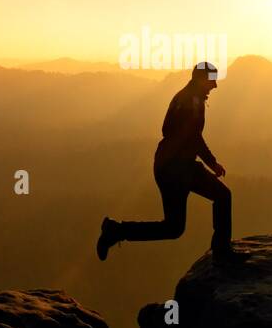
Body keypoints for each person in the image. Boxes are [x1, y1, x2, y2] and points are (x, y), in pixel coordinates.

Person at [97, 61, 241, 262]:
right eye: (212, 81)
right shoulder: (192, 100)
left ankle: (116, 230)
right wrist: (212, 163)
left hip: (166, 167)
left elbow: (167, 129)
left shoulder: (184, 97)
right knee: (223, 196)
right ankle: (222, 252)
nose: (215, 86)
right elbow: (194, 137)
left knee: (173, 228)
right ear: (201, 80)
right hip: (179, 168)